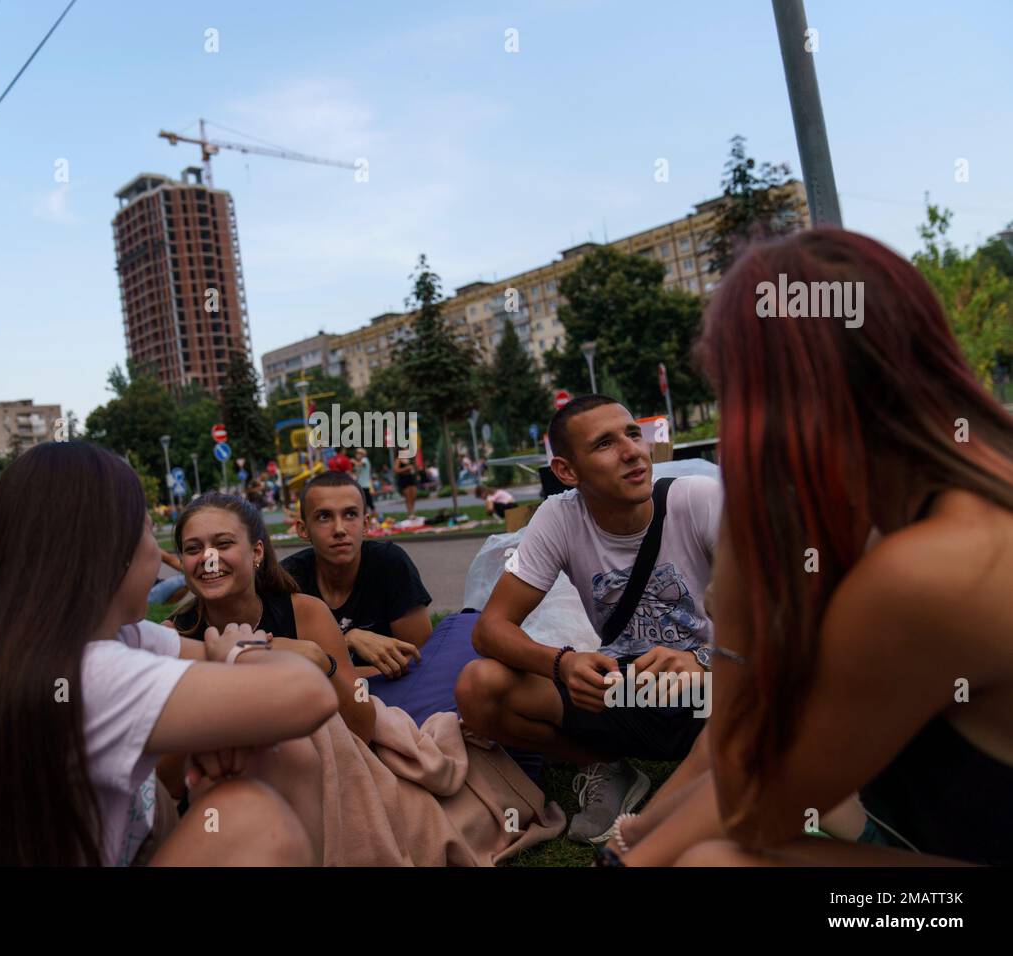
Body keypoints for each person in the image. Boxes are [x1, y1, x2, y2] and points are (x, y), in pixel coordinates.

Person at [612, 229, 1013, 868]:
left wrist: (740, 594)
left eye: (732, 393)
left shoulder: (931, 570)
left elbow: (750, 804)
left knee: (714, 865)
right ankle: (631, 851)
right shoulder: (970, 482)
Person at [0, 441, 335, 866]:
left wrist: (229, 683)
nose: (161, 553)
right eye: (148, 531)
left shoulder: (101, 638)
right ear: (106, 552)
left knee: (284, 752)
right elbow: (309, 692)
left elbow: (247, 674)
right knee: (253, 819)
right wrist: (239, 654)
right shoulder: (85, 674)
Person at [456, 394, 721, 845]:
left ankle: (719, 771)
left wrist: (704, 660)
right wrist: (562, 663)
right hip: (625, 687)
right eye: (604, 444)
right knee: (478, 689)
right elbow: (490, 628)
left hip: (715, 686)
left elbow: (782, 611)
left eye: (633, 434)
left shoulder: (698, 500)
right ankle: (605, 765)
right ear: (567, 471)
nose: (632, 451)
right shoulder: (559, 517)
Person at [168, 492, 375, 743]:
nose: (208, 558)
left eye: (223, 544)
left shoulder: (307, 613)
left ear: (256, 552)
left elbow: (365, 721)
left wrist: (322, 663)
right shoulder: (172, 637)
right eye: (193, 549)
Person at [282, 472, 433, 679]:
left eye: (350, 514)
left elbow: (421, 661)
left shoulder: (390, 564)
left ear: (366, 525)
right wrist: (347, 640)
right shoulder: (288, 580)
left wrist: (327, 668)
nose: (340, 529)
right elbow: (282, 669)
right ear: (303, 529)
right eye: (324, 517)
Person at [353, 448, 379, 520]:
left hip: (365, 485)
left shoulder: (365, 460)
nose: (357, 455)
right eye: (356, 453)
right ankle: (368, 518)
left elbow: (361, 464)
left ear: (362, 454)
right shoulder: (358, 463)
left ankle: (375, 518)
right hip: (360, 485)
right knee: (364, 503)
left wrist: (353, 461)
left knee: (369, 502)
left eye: (359, 453)